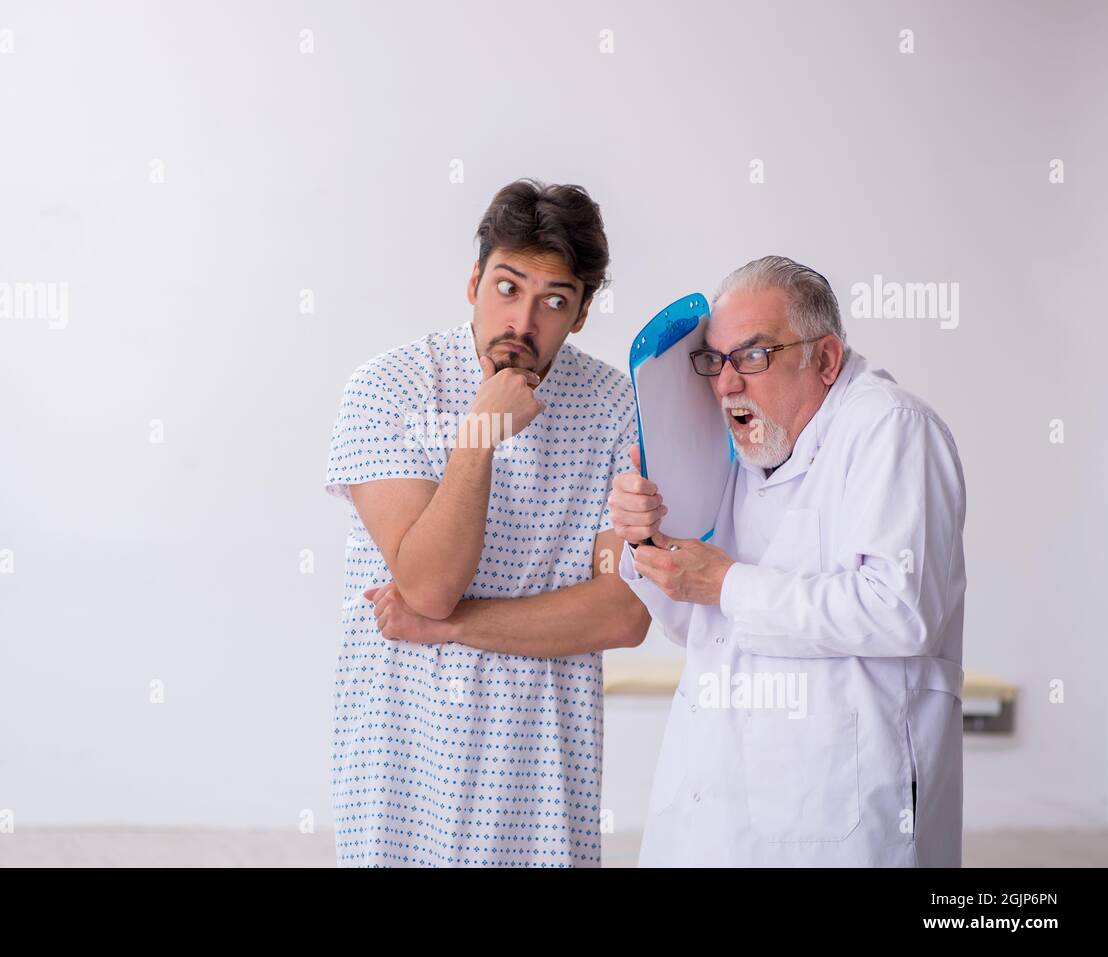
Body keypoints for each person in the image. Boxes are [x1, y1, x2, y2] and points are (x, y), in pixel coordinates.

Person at [325, 179, 649, 866]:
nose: (523, 322)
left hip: (541, 776)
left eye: (554, 300)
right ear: (473, 280)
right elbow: (430, 584)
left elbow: (622, 611)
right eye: (507, 287)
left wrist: (447, 629)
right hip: (401, 769)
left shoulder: (616, 408)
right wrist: (479, 435)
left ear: (582, 314)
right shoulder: (388, 390)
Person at [609, 255, 966, 866]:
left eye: (753, 355)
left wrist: (725, 583)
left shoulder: (891, 428)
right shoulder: (747, 451)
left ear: (824, 360)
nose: (725, 384)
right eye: (716, 361)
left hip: (841, 824)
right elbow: (698, 624)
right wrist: (648, 546)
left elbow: (900, 610)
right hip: (711, 816)